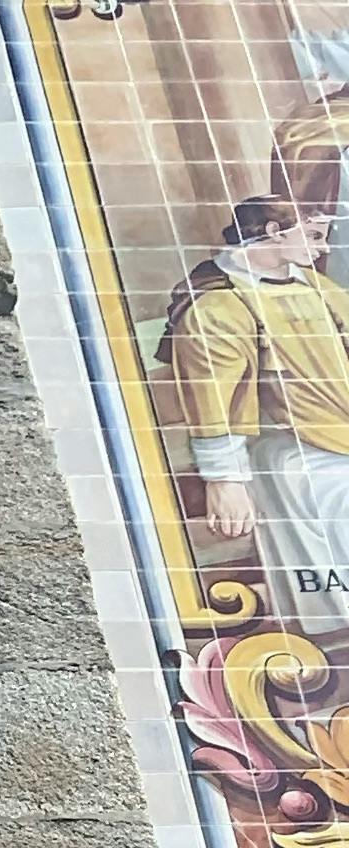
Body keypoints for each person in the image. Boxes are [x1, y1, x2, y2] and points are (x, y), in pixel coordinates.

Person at [164, 194, 349, 616]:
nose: (322, 249)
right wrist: (224, 480)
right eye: (314, 236)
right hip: (298, 446)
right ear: (271, 231)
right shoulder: (219, 305)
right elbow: (211, 398)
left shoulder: (316, 285)